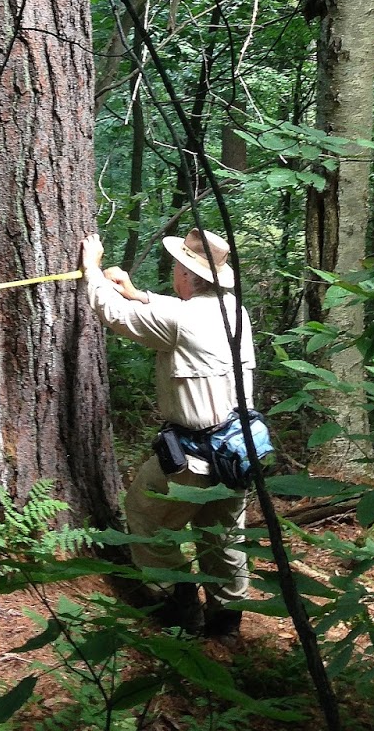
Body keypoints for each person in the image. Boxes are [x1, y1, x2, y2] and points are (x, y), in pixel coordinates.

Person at [81, 226, 255, 641]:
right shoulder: (234, 311)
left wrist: (92, 269)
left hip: (194, 457)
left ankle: (179, 605)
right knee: (222, 536)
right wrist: (136, 292)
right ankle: (226, 626)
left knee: (145, 518)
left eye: (178, 265)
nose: (174, 270)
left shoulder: (181, 319)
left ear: (187, 275)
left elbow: (115, 315)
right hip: (239, 450)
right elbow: (174, 312)